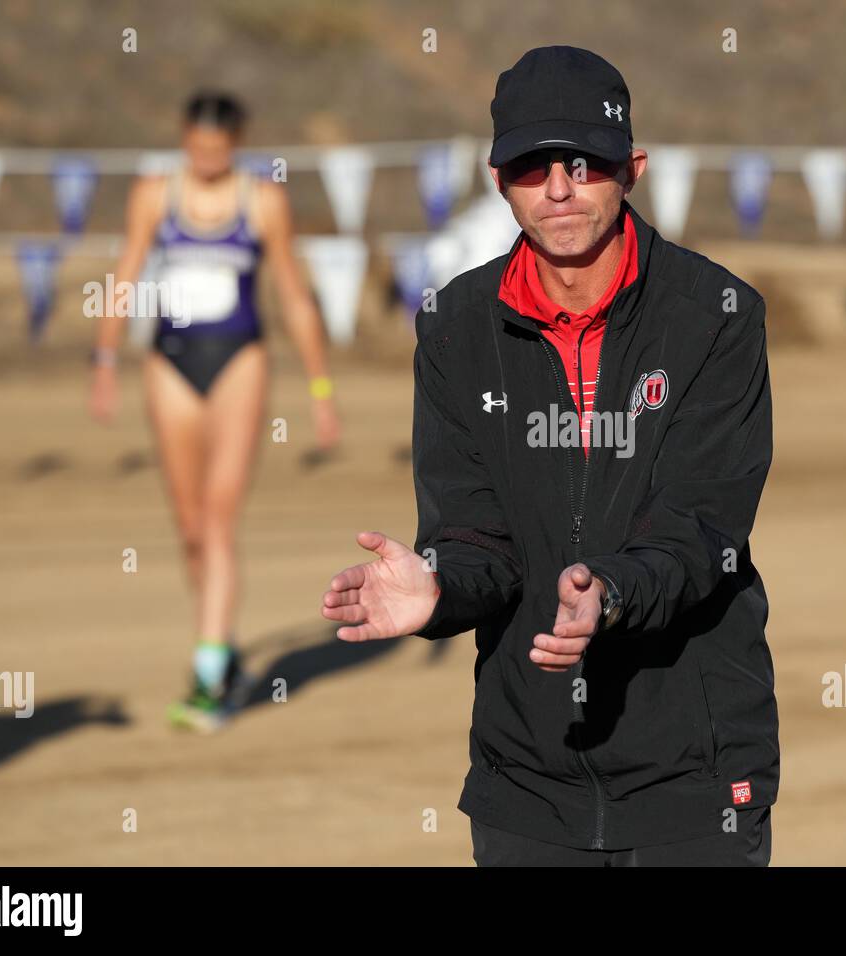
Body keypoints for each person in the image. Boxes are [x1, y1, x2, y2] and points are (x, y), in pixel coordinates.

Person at [323, 46, 778, 866]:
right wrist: (439, 585)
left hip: (696, 775)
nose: (560, 188)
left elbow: (702, 528)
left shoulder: (717, 316)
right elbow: (474, 535)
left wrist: (609, 591)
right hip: (525, 782)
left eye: (583, 162)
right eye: (534, 167)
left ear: (631, 168)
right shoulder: (455, 327)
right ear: (499, 182)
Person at [91, 90, 341, 730]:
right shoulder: (154, 193)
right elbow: (124, 274)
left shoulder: (263, 200)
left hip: (240, 365)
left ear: (236, 144)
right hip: (168, 364)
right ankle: (223, 652)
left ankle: (207, 680)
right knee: (190, 528)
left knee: (220, 518)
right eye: (196, 146)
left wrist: (320, 391)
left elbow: (291, 292)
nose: (205, 157)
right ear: (184, 139)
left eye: (217, 148)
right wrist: (104, 360)